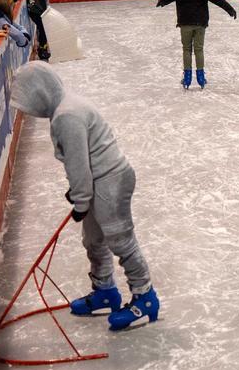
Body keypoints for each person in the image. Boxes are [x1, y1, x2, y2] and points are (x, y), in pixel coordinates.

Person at [10, 61, 161, 331]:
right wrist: (80, 194)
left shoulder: (66, 115)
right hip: (98, 179)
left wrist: (80, 200)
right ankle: (105, 290)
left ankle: (145, 295)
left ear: (40, 93)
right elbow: (79, 162)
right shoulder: (64, 107)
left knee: (119, 237)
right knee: (93, 239)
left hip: (111, 179)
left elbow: (78, 164)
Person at [156, 0, 238, 89]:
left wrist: (161, 2)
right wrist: (229, 9)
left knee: (187, 49)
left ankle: (187, 78)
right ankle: (200, 77)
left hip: (185, 23)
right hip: (200, 23)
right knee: (199, 49)